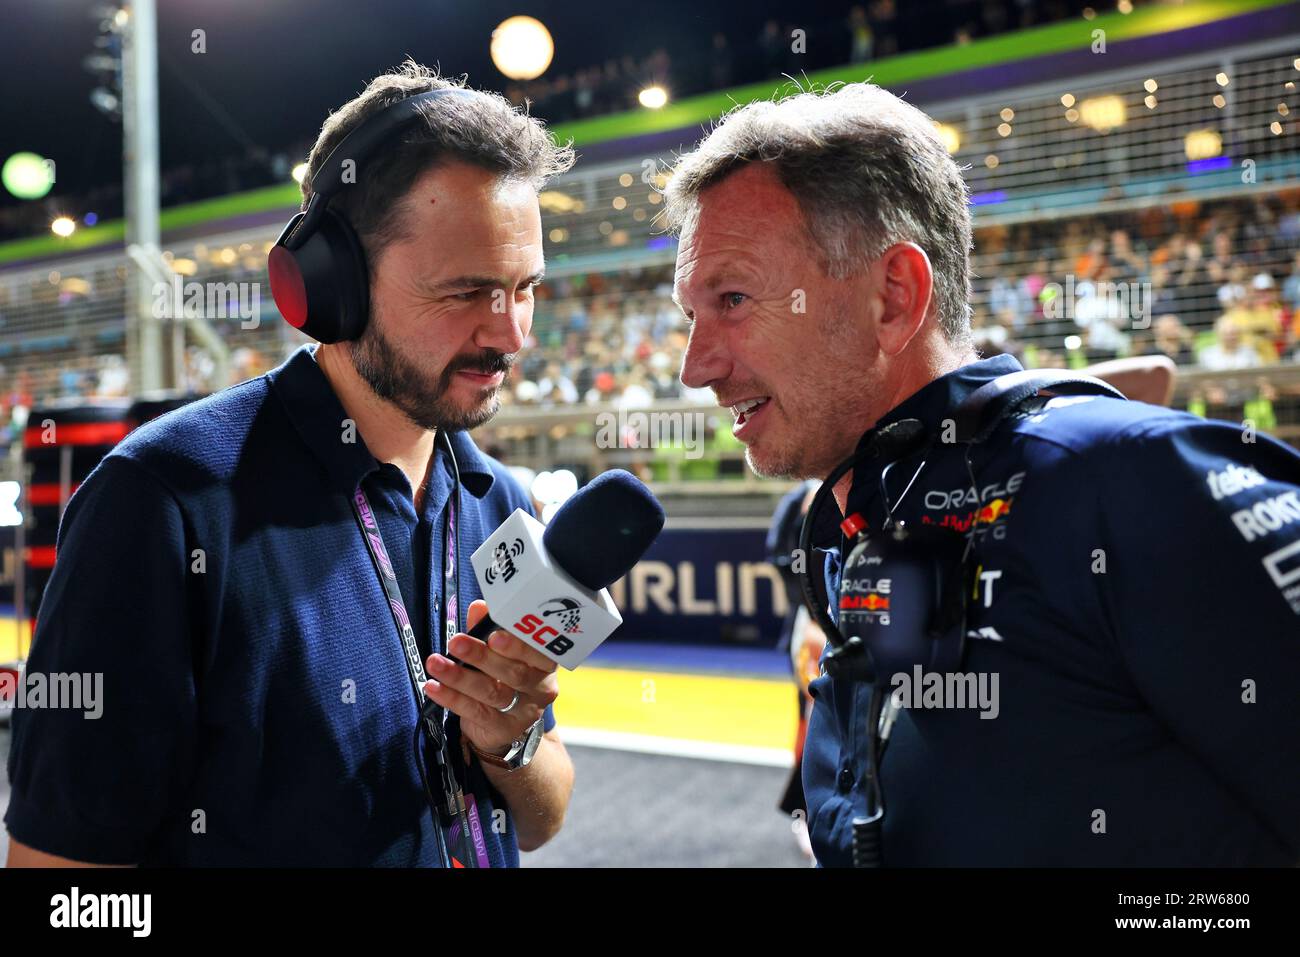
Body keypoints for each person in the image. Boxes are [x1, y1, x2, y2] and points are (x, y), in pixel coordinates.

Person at [663, 82, 1300, 866]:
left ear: (893, 297)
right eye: (691, 314)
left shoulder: (1119, 478)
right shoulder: (853, 524)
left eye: (732, 298)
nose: (696, 366)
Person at [5, 62, 576, 867]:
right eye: (466, 292)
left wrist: (509, 743)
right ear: (330, 283)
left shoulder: (501, 502)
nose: (511, 333)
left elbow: (541, 819)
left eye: (526, 289)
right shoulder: (164, 503)